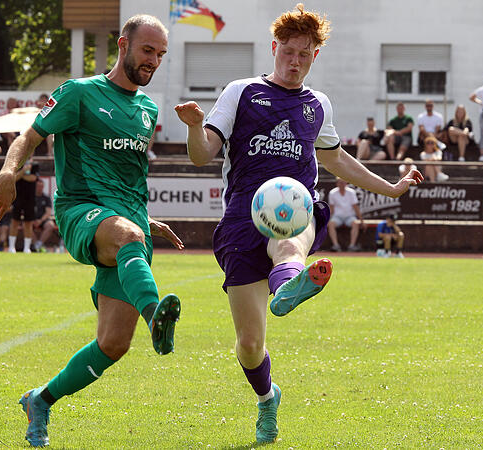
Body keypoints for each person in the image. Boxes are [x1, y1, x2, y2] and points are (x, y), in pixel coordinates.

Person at [173, 4, 423, 443]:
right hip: (240, 218)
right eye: (288, 52)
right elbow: (202, 153)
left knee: (290, 241)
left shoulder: (318, 104)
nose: (295, 61)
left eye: (304, 54)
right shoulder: (242, 92)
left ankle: (288, 284)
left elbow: (335, 159)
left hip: (296, 204)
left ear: (314, 57)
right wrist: (195, 126)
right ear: (274, 49)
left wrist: (391, 188)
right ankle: (268, 397)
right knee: (250, 346)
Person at [0, 14, 184, 447]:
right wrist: (7, 172)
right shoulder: (79, 93)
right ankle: (157, 318)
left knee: (113, 344)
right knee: (128, 238)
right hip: (82, 212)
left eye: (161, 54)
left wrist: (144, 220)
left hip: (128, 224)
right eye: (148, 50)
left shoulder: (148, 110)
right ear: (123, 45)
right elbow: (30, 136)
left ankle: (40, 399)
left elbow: (125, 178)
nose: (153, 60)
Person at [8, 159, 38, 253]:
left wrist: (21, 175)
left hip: (30, 199)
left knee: (28, 223)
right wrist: (24, 171)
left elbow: (33, 178)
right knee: (15, 222)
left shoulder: (35, 164)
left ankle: (27, 248)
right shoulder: (16, 163)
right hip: (17, 197)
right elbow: (14, 178)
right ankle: (11, 247)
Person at [326, 178, 363, 251]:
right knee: (331, 224)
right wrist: (328, 220)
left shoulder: (351, 192)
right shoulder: (332, 193)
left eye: (343, 182)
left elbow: (355, 207)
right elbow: (332, 208)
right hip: (337, 217)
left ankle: (352, 246)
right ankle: (336, 245)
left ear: (346, 183)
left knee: (355, 223)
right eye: (340, 182)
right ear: (337, 184)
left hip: (350, 217)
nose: (342, 184)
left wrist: (361, 220)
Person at [33, 178, 58, 252]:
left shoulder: (46, 198)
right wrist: (34, 220)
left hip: (43, 219)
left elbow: (48, 213)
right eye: (38, 186)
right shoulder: (31, 197)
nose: (40, 188)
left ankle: (39, 244)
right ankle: (35, 245)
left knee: (50, 225)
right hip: (32, 219)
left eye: (41, 186)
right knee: (26, 225)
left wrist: (40, 221)